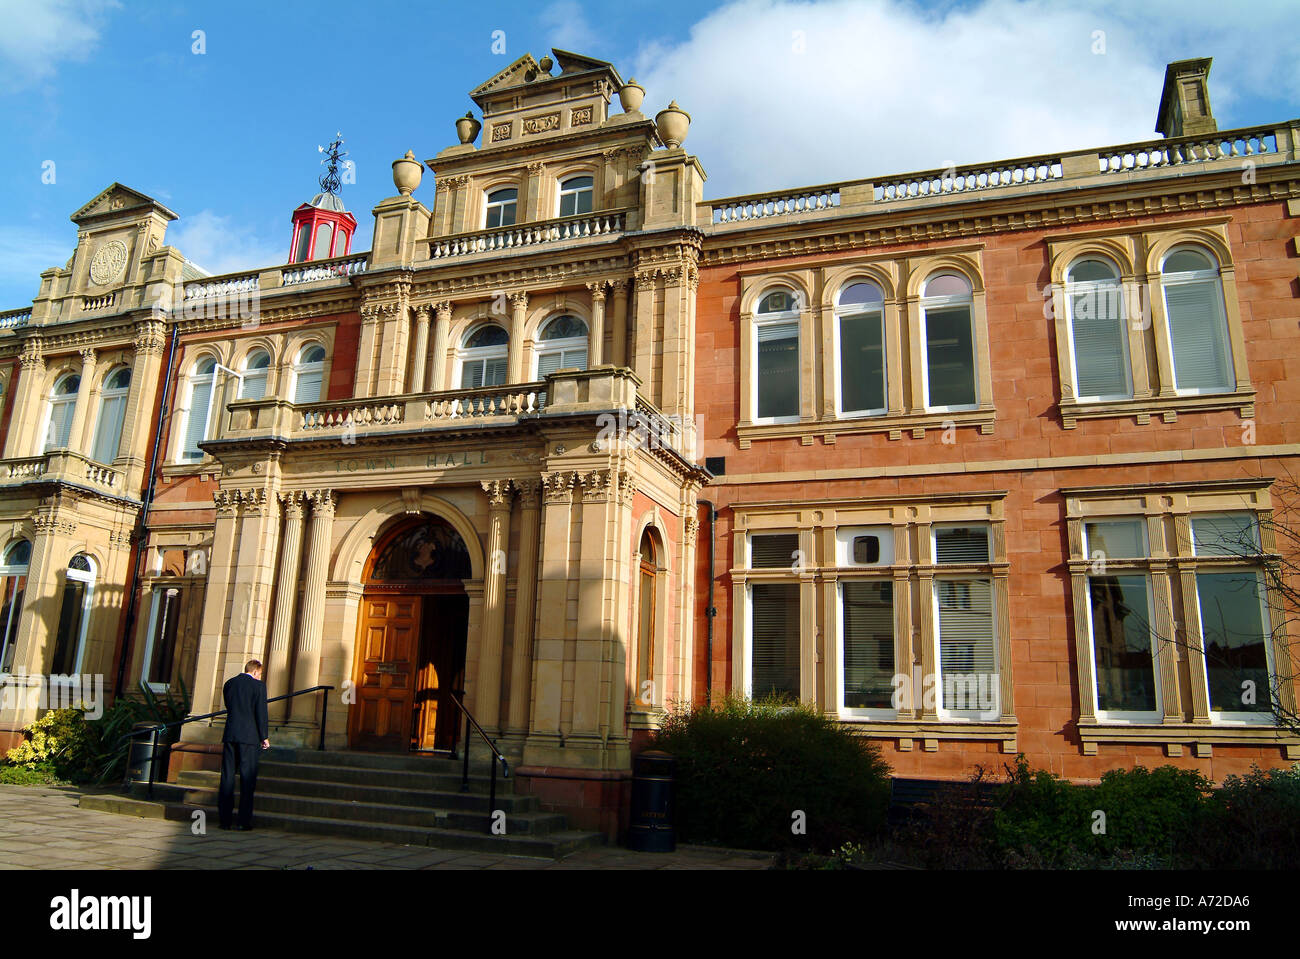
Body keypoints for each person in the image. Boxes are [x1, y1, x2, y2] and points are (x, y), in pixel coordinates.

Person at [218, 659, 269, 831]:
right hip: (249, 737)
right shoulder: (259, 687)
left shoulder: (229, 684)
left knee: (227, 777)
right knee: (247, 780)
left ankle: (224, 821)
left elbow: (229, 706)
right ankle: (243, 821)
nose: (259, 676)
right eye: (260, 674)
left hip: (230, 734)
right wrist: (264, 737)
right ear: (255, 672)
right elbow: (261, 713)